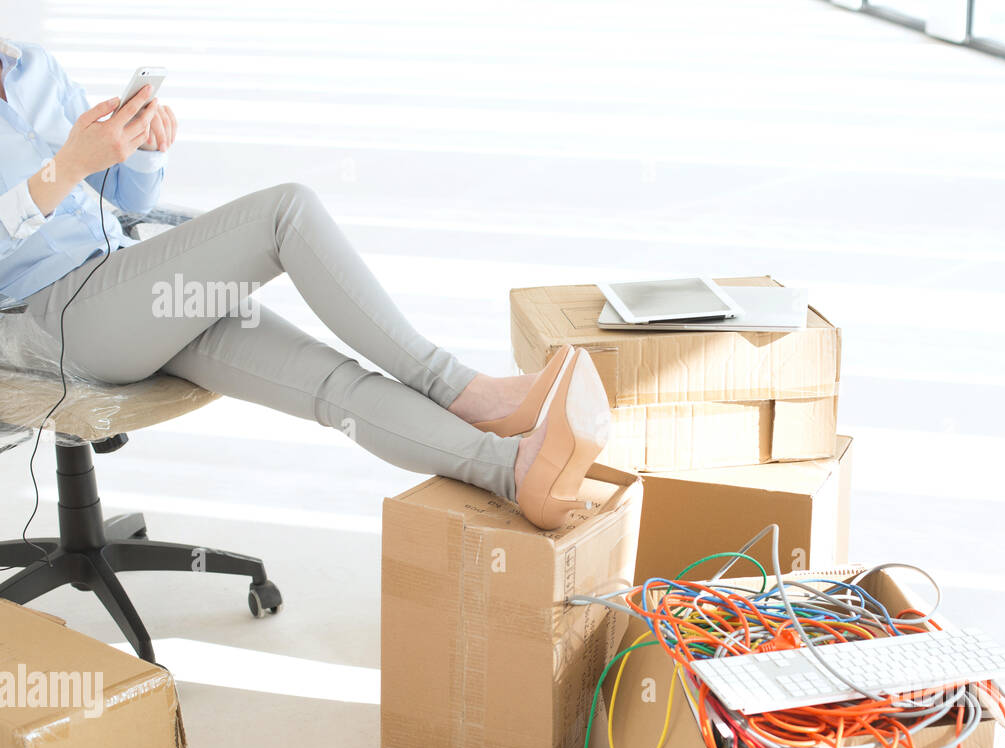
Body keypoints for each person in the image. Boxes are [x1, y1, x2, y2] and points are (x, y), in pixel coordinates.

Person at [0, 38, 608, 530]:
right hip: (54, 318)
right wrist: (71, 163)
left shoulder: (34, 67)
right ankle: (465, 390)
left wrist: (143, 152)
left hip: (130, 283)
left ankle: (513, 469)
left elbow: (125, 200)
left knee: (330, 384)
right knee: (284, 212)